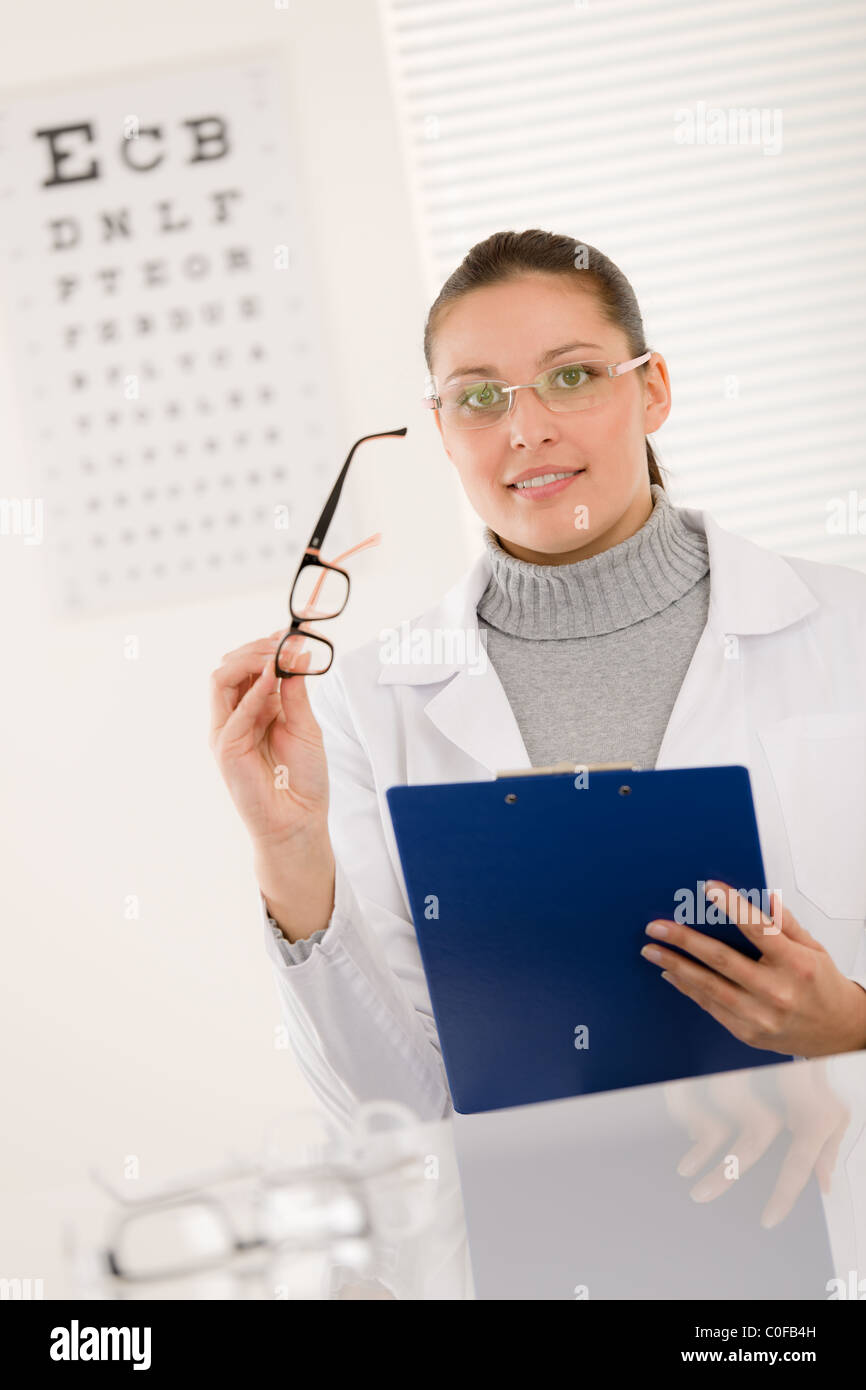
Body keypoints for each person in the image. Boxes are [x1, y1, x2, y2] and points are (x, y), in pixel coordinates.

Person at [210, 229, 866, 1132]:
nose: (527, 428)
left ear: (653, 389)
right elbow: (396, 1122)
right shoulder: (369, 706)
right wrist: (288, 853)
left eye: (573, 375)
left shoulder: (846, 628)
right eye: (479, 398)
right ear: (442, 432)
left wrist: (851, 1026)